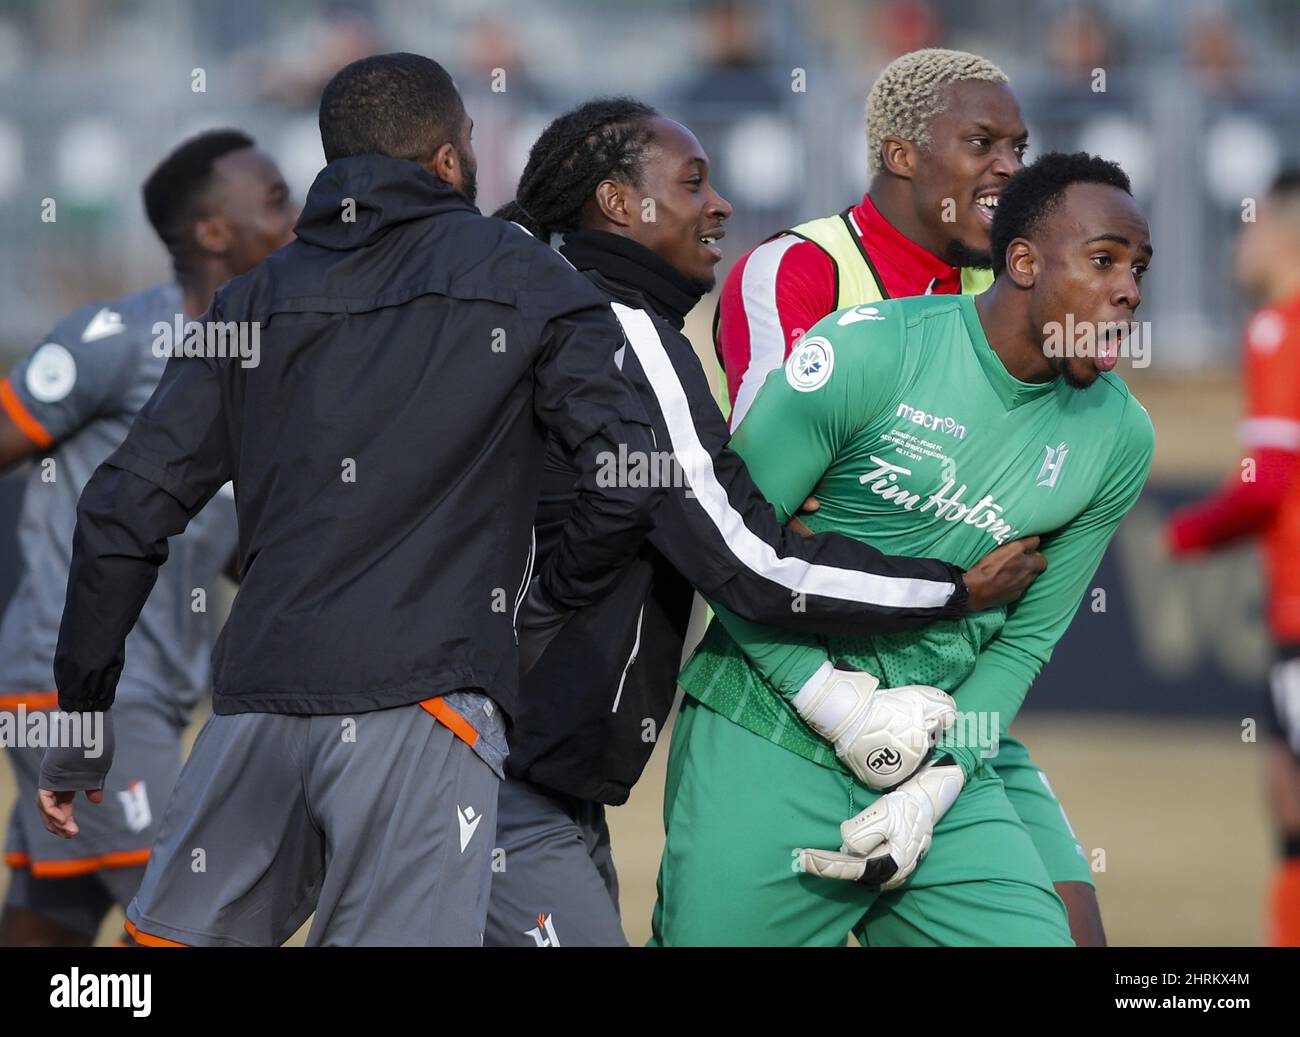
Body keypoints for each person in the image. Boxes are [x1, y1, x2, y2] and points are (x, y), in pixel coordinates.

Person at [39, 52, 664, 947]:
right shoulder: (522, 274)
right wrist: (542, 608)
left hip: (254, 704)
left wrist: (84, 705)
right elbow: (627, 471)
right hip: (425, 705)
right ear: (448, 161)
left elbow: (122, 507)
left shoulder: (253, 295)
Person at [485, 98, 1046, 946]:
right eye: (693, 183)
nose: (721, 206)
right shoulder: (628, 328)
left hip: (529, 768)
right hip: (503, 764)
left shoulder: (565, 311)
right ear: (614, 202)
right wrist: (950, 589)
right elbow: (745, 554)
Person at [652, 153, 1154, 946]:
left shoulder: (1121, 438)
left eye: (1138, 268)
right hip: (771, 718)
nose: (1128, 290)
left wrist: (941, 782)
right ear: (1021, 262)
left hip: (933, 748)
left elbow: (1022, 644)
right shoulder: (870, 351)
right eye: (1103, 261)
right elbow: (721, 543)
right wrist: (835, 703)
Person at [0, 129, 296, 947]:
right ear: (211, 232)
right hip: (81, 696)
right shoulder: (120, 341)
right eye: (275, 200)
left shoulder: (257, 365)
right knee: (190, 920)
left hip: (155, 695)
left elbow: (229, 542)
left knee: (48, 922)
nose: (299, 215)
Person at [1165, 170, 1300, 947]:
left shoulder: (1280, 327)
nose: (1238, 245)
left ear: (1281, 236)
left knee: (1289, 795)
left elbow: (1267, 480)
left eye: (1248, 228)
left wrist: (1188, 532)